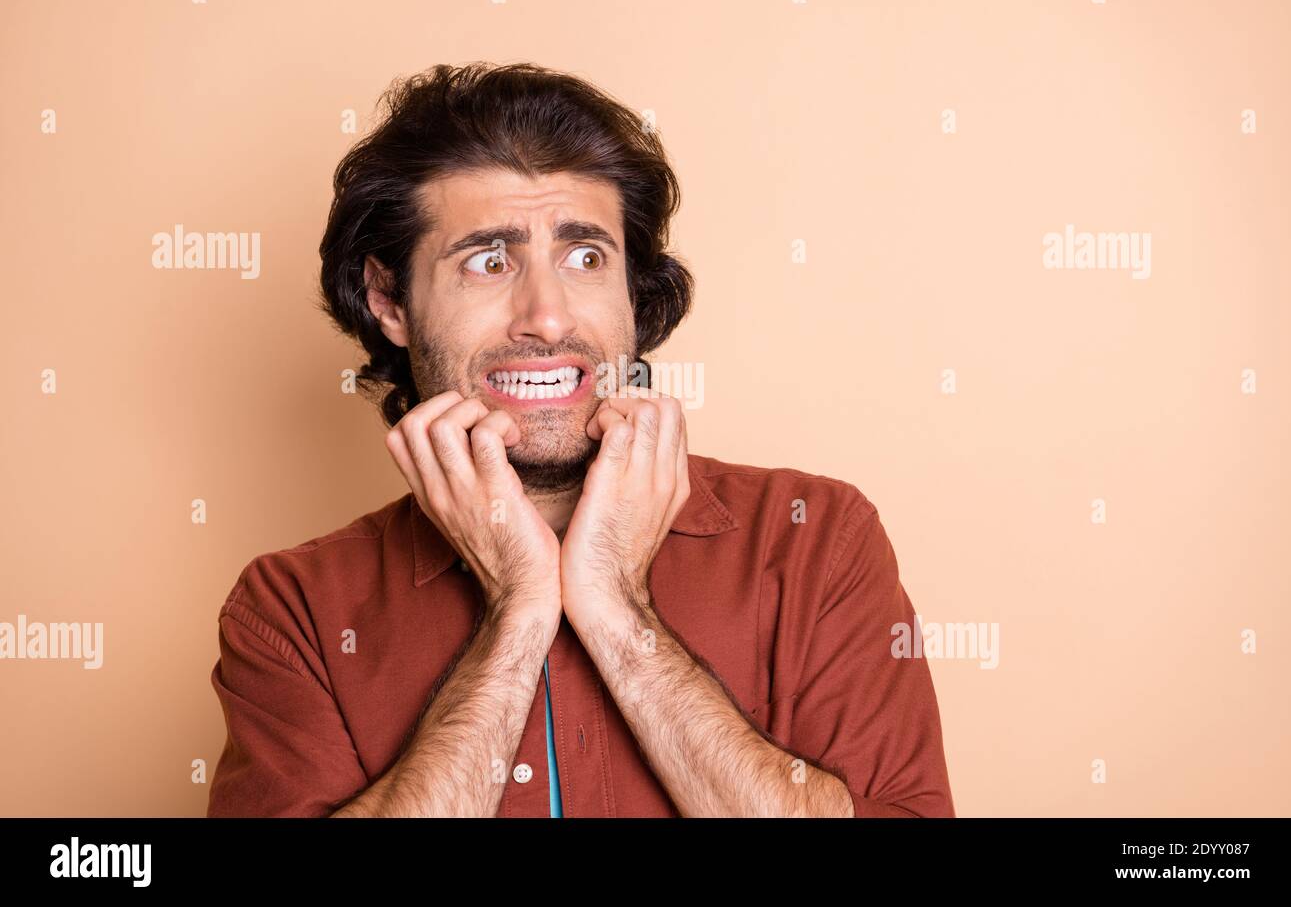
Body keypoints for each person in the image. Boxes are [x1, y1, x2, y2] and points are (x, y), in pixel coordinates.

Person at [206, 62, 955, 818]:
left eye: (585, 257)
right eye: (489, 261)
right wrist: (518, 611)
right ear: (390, 301)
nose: (549, 317)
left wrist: (616, 608)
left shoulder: (813, 541)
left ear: (633, 292)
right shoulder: (293, 611)